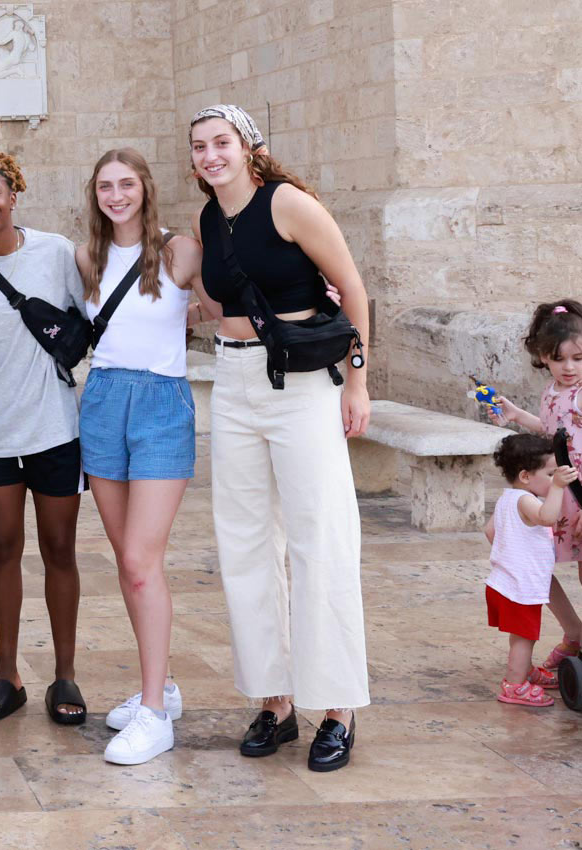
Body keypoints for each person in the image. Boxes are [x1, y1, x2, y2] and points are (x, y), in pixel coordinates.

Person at [191, 103, 372, 772]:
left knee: (319, 535)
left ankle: (338, 707)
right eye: (200, 147)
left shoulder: (288, 204)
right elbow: (222, 305)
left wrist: (357, 382)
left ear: (247, 147)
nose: (211, 155)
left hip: (302, 385)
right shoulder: (207, 220)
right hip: (234, 381)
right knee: (243, 542)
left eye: (222, 143)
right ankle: (275, 700)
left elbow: (351, 286)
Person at [74, 149, 210, 764]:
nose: (116, 194)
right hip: (102, 401)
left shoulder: (178, 250)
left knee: (138, 559)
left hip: (160, 402)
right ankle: (163, 687)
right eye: (106, 185)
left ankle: (154, 714)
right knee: (128, 563)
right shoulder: (87, 256)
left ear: (145, 188)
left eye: (127, 184)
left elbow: (216, 309)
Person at [0, 151, 88, 728]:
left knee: (59, 550)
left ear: (14, 195)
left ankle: (65, 675)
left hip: (56, 428)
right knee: (3, 550)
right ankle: (8, 674)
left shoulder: (56, 252)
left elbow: (94, 317)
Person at [479, 300, 582, 679]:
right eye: (559, 359)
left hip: (580, 496)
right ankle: (574, 631)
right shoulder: (553, 391)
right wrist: (516, 415)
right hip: (557, 495)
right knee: (535, 563)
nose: (569, 368)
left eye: (578, 358)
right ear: (543, 357)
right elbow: (552, 428)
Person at [484, 434, 576, 706]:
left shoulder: (508, 498)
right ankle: (514, 685)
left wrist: (513, 553)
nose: (553, 479)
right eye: (549, 474)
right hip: (520, 586)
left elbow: (490, 531)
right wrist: (559, 487)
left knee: (521, 635)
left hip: (505, 581)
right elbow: (547, 517)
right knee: (524, 638)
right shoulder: (527, 501)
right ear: (525, 476)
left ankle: (524, 670)